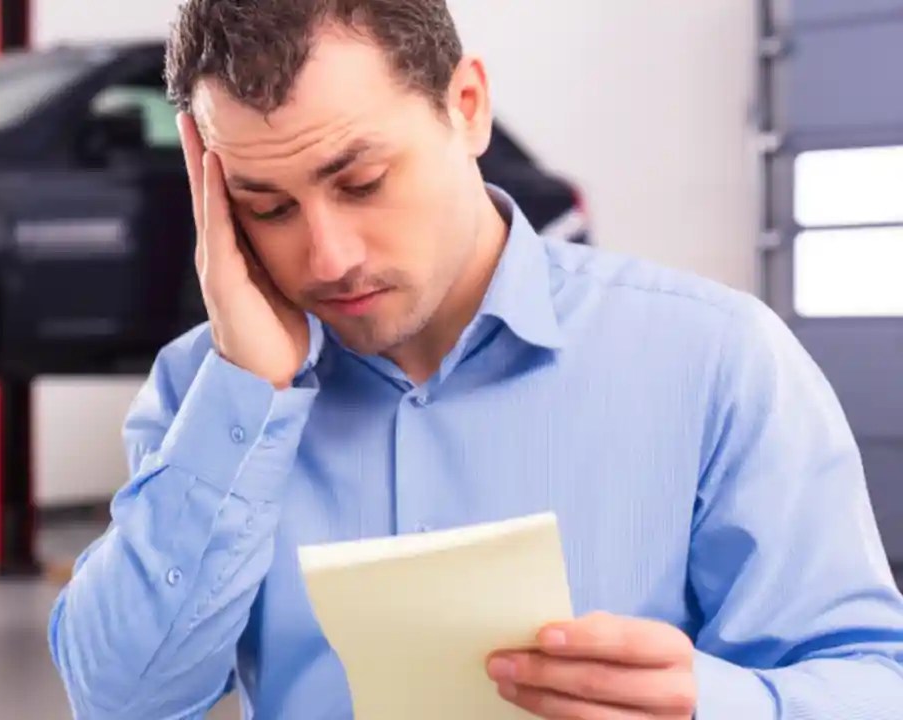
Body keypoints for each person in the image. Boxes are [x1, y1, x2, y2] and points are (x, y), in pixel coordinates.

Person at [49, 1, 903, 717]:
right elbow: (121, 701)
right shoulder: (209, 395)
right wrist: (246, 392)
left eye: (362, 182)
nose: (326, 257)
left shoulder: (717, 360)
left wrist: (713, 705)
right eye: (267, 207)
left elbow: (872, 682)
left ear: (467, 106)